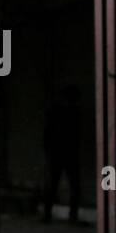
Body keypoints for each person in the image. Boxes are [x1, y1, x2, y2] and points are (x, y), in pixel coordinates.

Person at [42, 84, 82, 224]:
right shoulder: (74, 112)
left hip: (57, 151)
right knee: (73, 185)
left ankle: (47, 214)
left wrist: (47, 150)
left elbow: (47, 132)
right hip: (68, 152)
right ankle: (72, 216)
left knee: (53, 183)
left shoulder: (54, 110)